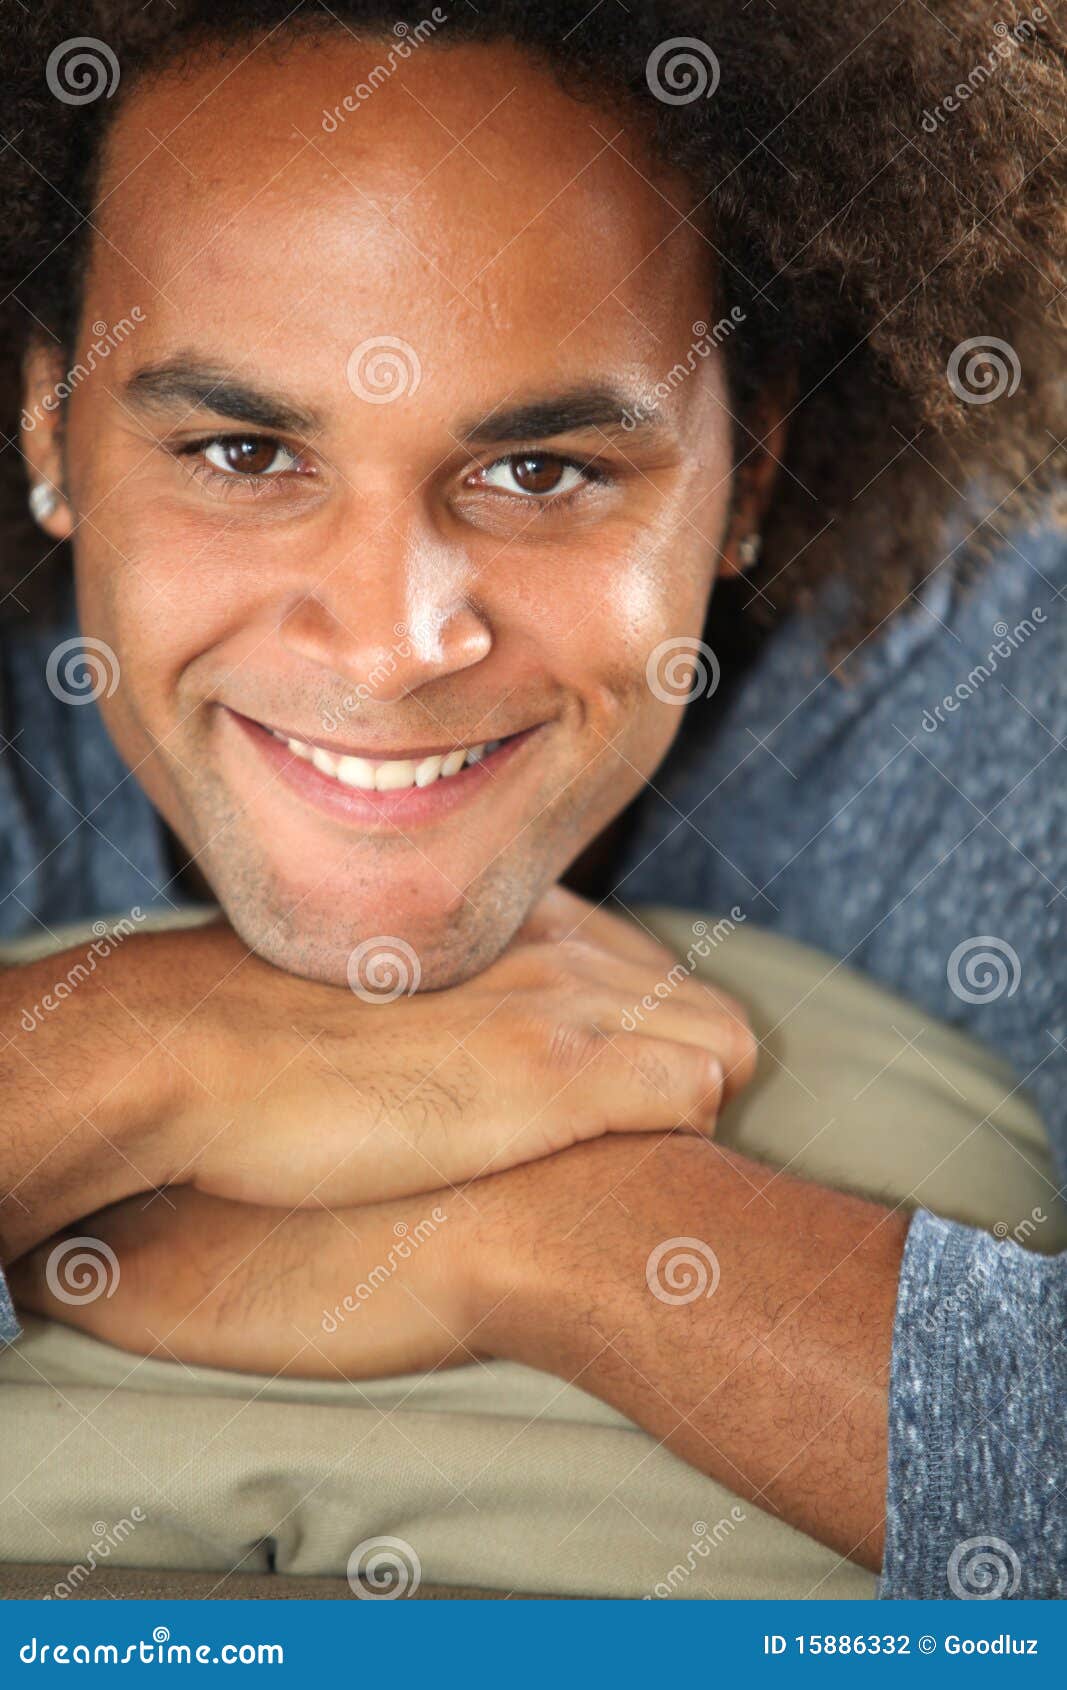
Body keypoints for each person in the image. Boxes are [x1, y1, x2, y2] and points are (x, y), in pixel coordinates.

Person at [1, 0, 1065, 1598]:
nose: (392, 641)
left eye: (544, 471)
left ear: (749, 465)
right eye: (239, 452)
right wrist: (135, 1042)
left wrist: (564, 1245)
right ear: (51, 427)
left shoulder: (995, 700)